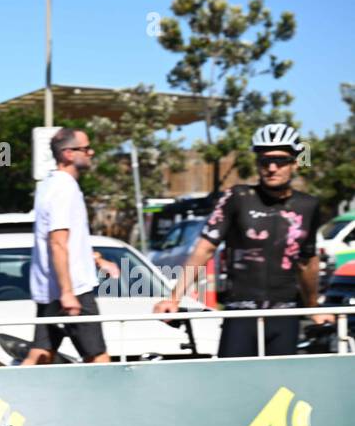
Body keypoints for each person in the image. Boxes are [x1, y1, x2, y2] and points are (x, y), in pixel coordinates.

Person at [155, 123, 326, 354]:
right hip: (240, 312)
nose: (272, 168)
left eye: (281, 160)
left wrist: (313, 307)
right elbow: (204, 249)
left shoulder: (308, 205)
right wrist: (173, 298)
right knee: (233, 384)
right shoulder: (237, 197)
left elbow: (307, 262)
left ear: (295, 162)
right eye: (264, 161)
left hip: (285, 312)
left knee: (284, 388)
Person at [24, 128, 117, 366]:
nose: (91, 152)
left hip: (53, 288)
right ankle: (111, 402)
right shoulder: (64, 188)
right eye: (85, 149)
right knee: (98, 358)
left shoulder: (49, 184)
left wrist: (97, 260)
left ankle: (3, 401)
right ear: (68, 153)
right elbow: (57, 241)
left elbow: (68, 242)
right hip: (73, 288)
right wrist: (67, 292)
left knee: (41, 353)